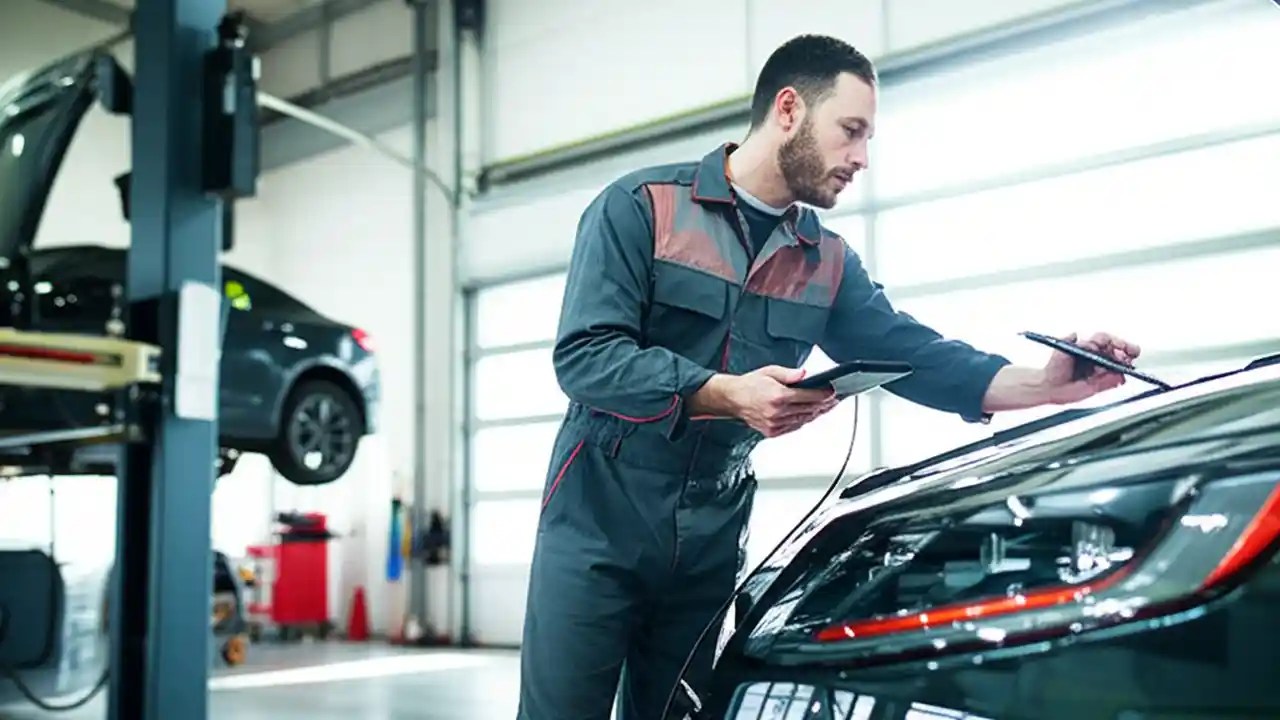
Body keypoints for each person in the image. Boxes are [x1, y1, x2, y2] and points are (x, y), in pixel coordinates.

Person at [517, 33, 1141, 720]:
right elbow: (585, 357)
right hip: (598, 517)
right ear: (788, 109)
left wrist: (1047, 384)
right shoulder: (640, 207)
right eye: (851, 132)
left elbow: (915, 355)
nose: (861, 159)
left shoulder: (826, 260)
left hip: (711, 533)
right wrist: (724, 393)